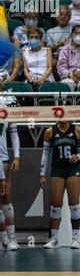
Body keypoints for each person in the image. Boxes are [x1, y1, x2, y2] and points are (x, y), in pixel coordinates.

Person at [40, 121, 80, 249]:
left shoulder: (78, 130)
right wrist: (42, 174)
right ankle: (54, 239)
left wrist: (78, 156)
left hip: (73, 169)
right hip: (57, 170)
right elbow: (45, 154)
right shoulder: (49, 132)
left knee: (74, 204)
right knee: (55, 205)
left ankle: (75, 239)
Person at [0, 94, 20, 251]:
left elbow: (13, 132)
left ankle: (12, 238)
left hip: (3, 158)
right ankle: (4, 240)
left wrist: (17, 156)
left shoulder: (7, 102)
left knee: (6, 200)